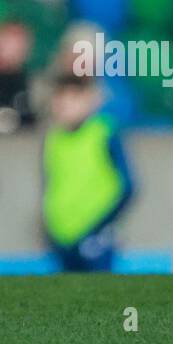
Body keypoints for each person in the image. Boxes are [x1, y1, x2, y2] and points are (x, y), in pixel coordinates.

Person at [42, 72, 135, 272]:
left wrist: (99, 227)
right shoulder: (53, 139)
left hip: (96, 239)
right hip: (62, 239)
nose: (65, 105)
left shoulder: (104, 132)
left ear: (90, 99)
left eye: (73, 97)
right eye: (60, 98)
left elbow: (128, 187)